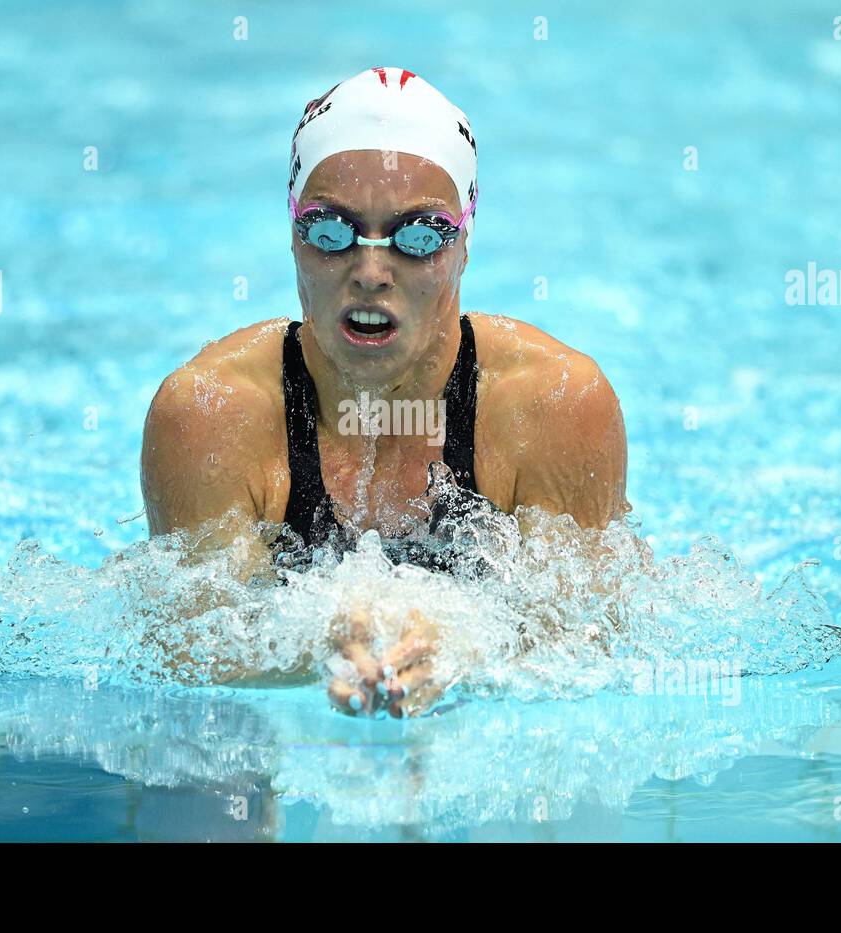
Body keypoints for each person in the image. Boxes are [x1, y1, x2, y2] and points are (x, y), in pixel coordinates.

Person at [141, 67, 628, 716]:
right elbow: (187, 653)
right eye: (330, 230)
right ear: (292, 236)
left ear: (464, 244)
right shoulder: (209, 415)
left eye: (420, 234)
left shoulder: (554, 406)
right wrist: (310, 642)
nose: (371, 271)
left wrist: (467, 649)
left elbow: (592, 647)